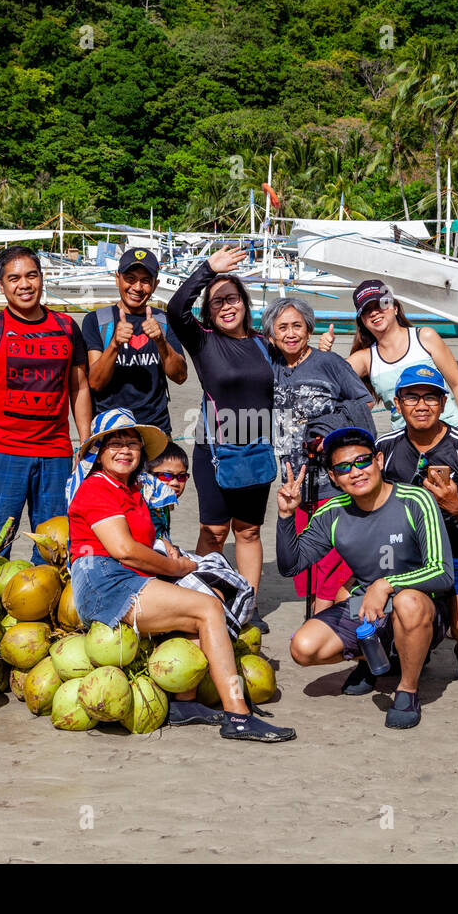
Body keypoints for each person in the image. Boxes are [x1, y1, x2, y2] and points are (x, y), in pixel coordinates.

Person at [67, 410, 296, 742]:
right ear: (98, 452)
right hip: (105, 583)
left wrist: (166, 548)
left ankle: (183, 702)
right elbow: (123, 549)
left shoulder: (130, 490)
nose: (125, 451)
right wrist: (176, 568)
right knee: (207, 609)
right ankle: (239, 715)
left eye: (132, 444)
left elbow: (141, 543)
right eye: (115, 443)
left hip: (127, 577)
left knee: (204, 610)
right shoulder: (97, 489)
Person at [277, 428, 455, 729]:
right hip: (367, 608)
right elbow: (290, 565)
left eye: (362, 461)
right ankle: (373, 660)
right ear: (334, 478)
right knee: (304, 648)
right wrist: (285, 518)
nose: (355, 472)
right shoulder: (332, 513)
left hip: (422, 607)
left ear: (379, 460)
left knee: (408, 601)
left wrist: (386, 585)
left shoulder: (416, 500)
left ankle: (407, 688)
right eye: (343, 468)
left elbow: (442, 572)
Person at [165, 246, 276, 631]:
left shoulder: (264, 344)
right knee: (214, 531)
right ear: (208, 312)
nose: (226, 307)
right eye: (217, 303)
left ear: (244, 303)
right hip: (214, 452)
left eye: (232, 299)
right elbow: (175, 310)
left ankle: (249, 604)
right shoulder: (204, 343)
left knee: (248, 531)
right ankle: (204, 598)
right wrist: (207, 269)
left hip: (258, 451)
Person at [0, 246, 92, 554]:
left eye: (31, 275)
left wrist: (85, 447)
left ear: (42, 279)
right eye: (14, 278)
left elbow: (79, 390)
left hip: (56, 455)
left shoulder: (67, 328)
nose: (24, 284)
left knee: (55, 550)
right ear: (2, 285)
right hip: (2, 454)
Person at [377, 364, 458, 689]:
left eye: (431, 397)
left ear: (444, 404)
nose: (421, 405)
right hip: (403, 557)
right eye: (411, 397)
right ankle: (414, 645)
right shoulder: (384, 448)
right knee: (368, 608)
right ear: (398, 404)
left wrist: (454, 506)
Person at [265, 296, 375, 613]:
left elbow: (362, 407)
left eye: (297, 326)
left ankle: (327, 618)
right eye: (282, 327)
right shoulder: (270, 365)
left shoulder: (329, 363)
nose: (290, 333)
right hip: (294, 481)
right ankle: (320, 614)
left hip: (332, 478)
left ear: (309, 329)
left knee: (333, 556)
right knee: (306, 559)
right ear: (271, 333)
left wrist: (332, 432)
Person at [324, 279, 458, 444]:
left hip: (451, 434)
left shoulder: (424, 337)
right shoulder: (365, 358)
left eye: (380, 304)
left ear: (395, 308)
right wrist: (325, 353)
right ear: (362, 321)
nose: (374, 313)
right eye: (367, 310)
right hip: (406, 445)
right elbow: (327, 381)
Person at [83, 248, 187, 434]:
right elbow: (96, 382)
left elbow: (180, 377)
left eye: (145, 281)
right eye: (130, 278)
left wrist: (160, 341)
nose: (137, 288)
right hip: (110, 431)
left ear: (155, 285)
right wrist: (114, 343)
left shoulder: (163, 321)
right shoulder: (96, 320)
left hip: (156, 430)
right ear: (117, 278)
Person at [145, 440, 189, 544]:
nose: (175, 482)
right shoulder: (144, 504)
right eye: (166, 476)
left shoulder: (164, 504)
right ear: (147, 474)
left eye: (181, 476)